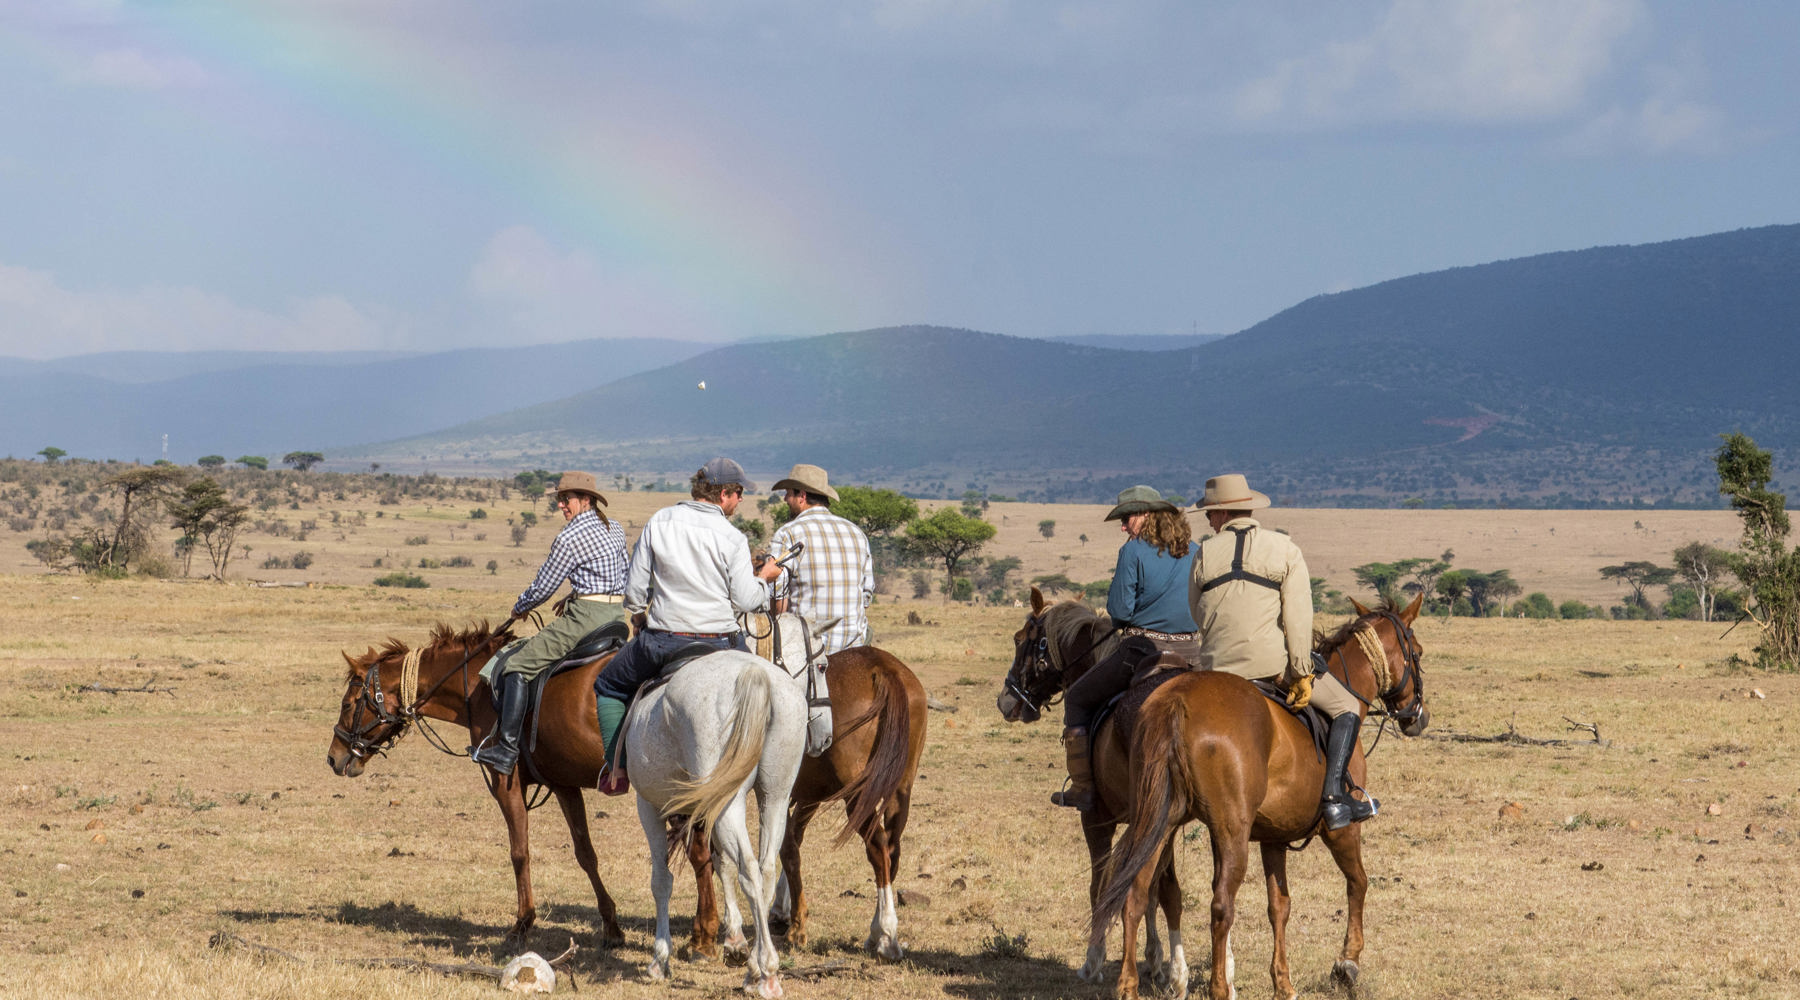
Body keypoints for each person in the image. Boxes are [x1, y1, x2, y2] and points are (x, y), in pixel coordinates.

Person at [1187, 473, 1377, 830]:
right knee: (1347, 706)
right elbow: (1298, 616)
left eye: (1210, 513)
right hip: (1270, 667)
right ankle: (1335, 799)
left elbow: (1197, 613)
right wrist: (1301, 669)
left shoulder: (1203, 553)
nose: (1209, 520)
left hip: (1214, 670)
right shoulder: (1284, 549)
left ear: (1225, 514)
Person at [593, 457, 769, 793]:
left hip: (664, 640)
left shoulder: (660, 521)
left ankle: (616, 768)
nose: (742, 500)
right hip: (722, 643)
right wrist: (765, 580)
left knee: (609, 687)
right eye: (739, 493)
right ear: (723, 494)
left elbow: (634, 591)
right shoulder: (732, 537)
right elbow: (747, 601)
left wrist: (638, 613)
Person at [471, 471, 628, 776]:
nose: (561, 505)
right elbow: (621, 573)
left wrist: (521, 607)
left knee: (517, 665)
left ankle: (506, 749)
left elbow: (543, 587)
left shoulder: (570, 537)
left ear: (585, 500)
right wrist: (575, 594)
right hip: (615, 619)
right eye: (559, 499)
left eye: (566, 499)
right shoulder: (616, 528)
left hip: (585, 619)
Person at [1052, 485, 1198, 810]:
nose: (1123, 526)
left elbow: (1119, 611)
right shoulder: (1197, 549)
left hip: (1141, 651)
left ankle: (1084, 789)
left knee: (1077, 697)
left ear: (1147, 514)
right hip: (1195, 655)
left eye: (1127, 518)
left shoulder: (1132, 551)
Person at [755, 463, 873, 655]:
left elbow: (779, 597)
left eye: (788, 493)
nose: (785, 499)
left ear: (802, 496)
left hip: (808, 650)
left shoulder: (788, 533)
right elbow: (866, 594)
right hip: (853, 648)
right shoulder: (857, 533)